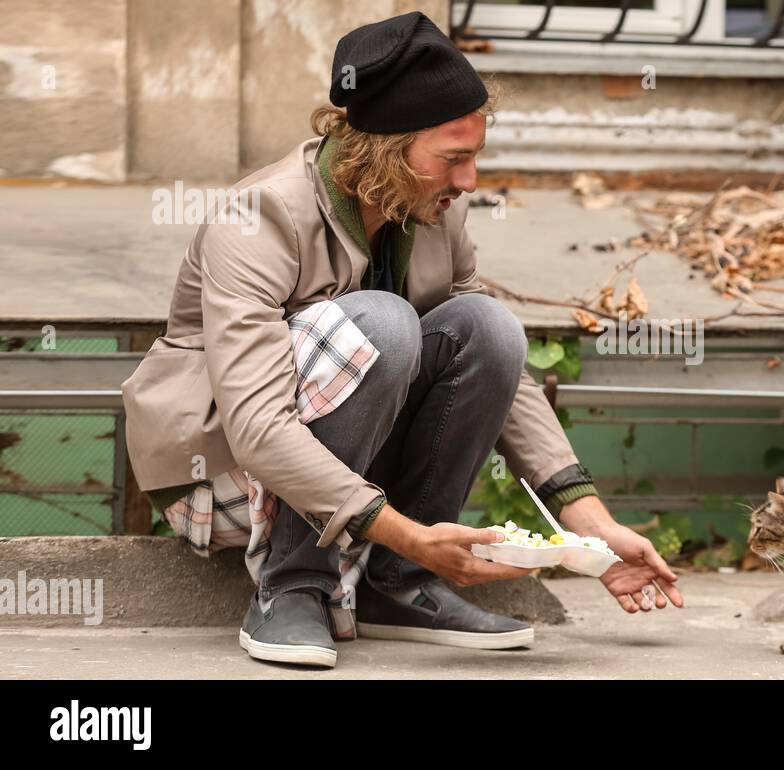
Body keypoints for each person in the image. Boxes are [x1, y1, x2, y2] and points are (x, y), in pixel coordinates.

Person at [122, 11, 683, 669]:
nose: (469, 181)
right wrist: (413, 535)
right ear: (385, 150)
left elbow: (496, 368)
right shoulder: (261, 218)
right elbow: (257, 426)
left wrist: (590, 525)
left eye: (474, 157)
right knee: (383, 324)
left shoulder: (433, 207)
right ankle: (292, 586)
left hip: (341, 476)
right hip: (219, 479)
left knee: (489, 327)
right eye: (454, 160)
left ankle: (396, 586)